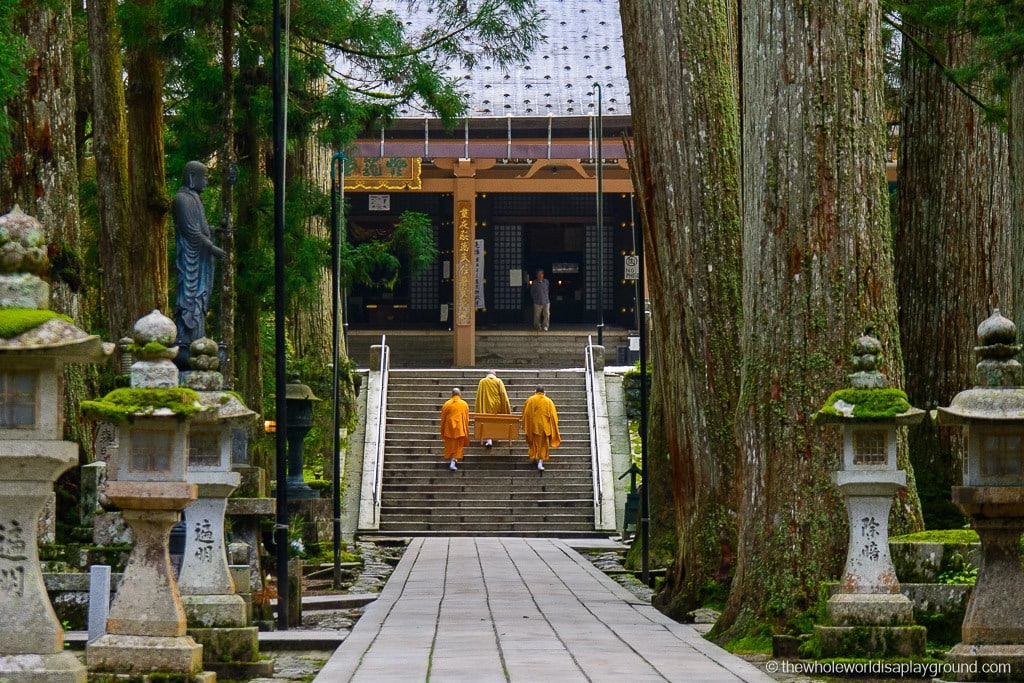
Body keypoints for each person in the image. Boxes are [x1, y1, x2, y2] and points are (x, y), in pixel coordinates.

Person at [173, 160, 226, 365]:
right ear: (192, 177)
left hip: (200, 262)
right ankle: (186, 341)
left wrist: (213, 231)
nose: (205, 182)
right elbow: (192, 233)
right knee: (190, 300)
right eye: (203, 177)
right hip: (189, 261)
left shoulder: (195, 199)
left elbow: (201, 228)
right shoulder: (182, 199)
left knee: (200, 301)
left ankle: (197, 340)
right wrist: (212, 248)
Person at [521, 385, 560, 471]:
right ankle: (540, 462)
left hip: (533, 427)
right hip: (544, 428)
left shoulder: (530, 400)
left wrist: (526, 425)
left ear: (535, 391)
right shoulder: (549, 401)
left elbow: (526, 414)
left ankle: (534, 457)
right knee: (543, 446)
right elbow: (553, 416)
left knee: (534, 444)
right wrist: (553, 427)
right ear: (544, 392)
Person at [475, 370, 512, 447]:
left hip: (485, 405)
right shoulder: (498, 381)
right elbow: (503, 395)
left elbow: (479, 395)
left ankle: (488, 440)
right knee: (495, 421)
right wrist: (506, 406)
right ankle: (496, 436)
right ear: (495, 375)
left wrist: (479, 407)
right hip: (496, 406)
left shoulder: (482, 382)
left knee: (487, 421)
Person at [440, 387, 470, 470]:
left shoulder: (447, 404)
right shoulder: (464, 404)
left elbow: (443, 418)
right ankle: (453, 461)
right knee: (457, 447)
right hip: (459, 429)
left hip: (449, 429)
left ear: (452, 394)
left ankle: (452, 460)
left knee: (450, 446)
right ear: (460, 394)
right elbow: (466, 417)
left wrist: (442, 429)